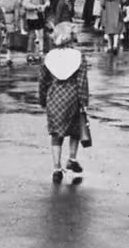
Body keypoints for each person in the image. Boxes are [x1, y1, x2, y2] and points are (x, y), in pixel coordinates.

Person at [38, 22, 90, 184]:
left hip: (54, 97)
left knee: (56, 134)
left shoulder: (49, 56)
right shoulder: (78, 56)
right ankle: (72, 159)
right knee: (74, 129)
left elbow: (43, 81)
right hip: (72, 96)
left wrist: (42, 99)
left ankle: (56, 168)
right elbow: (82, 82)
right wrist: (84, 101)